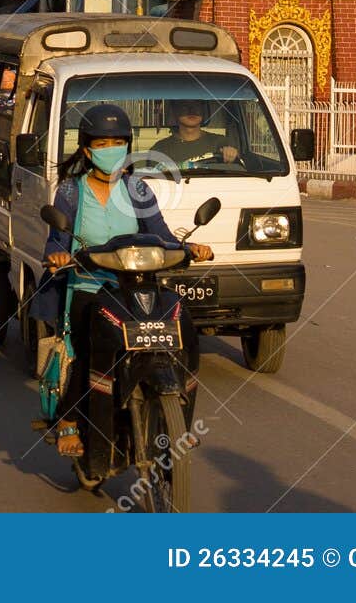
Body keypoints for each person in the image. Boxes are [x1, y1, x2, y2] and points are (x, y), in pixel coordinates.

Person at [30, 102, 213, 459]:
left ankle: (178, 421)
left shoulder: (137, 189)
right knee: (89, 353)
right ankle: (69, 419)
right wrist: (58, 256)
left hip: (132, 287)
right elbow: (57, 239)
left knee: (182, 334)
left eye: (117, 143)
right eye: (101, 144)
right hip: (87, 286)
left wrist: (188, 247)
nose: (109, 150)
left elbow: (160, 234)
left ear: (128, 147)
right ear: (86, 149)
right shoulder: (70, 191)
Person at [152, 99, 240, 168]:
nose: (192, 110)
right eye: (184, 105)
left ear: (203, 110)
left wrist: (232, 155)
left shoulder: (221, 143)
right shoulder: (160, 149)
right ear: (175, 110)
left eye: (197, 105)